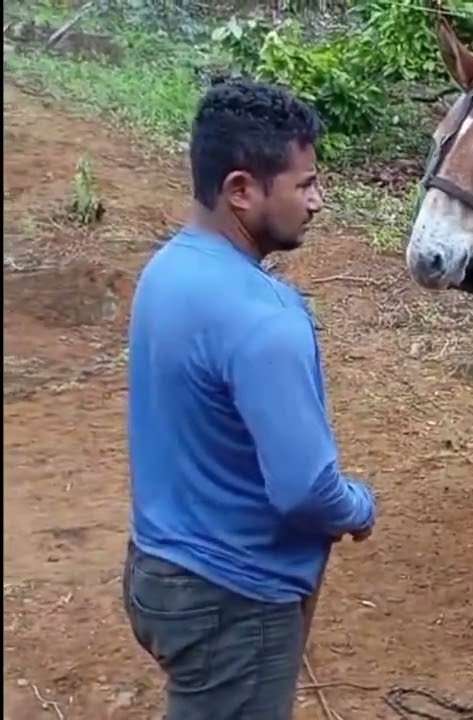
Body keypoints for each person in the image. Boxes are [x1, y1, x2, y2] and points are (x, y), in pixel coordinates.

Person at [123, 78, 377, 719]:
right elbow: (306, 489)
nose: (318, 201)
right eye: (304, 183)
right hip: (233, 599)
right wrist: (358, 506)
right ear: (241, 190)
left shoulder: (166, 271)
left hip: (159, 568)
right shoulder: (264, 317)